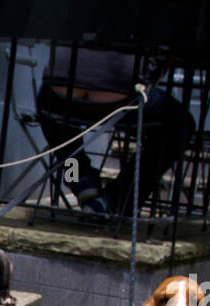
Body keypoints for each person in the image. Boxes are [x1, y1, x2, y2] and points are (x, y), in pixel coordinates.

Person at [35, 45, 195, 217]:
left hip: (58, 93)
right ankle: (116, 200)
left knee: (56, 117)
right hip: (118, 98)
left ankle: (80, 178)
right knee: (181, 123)